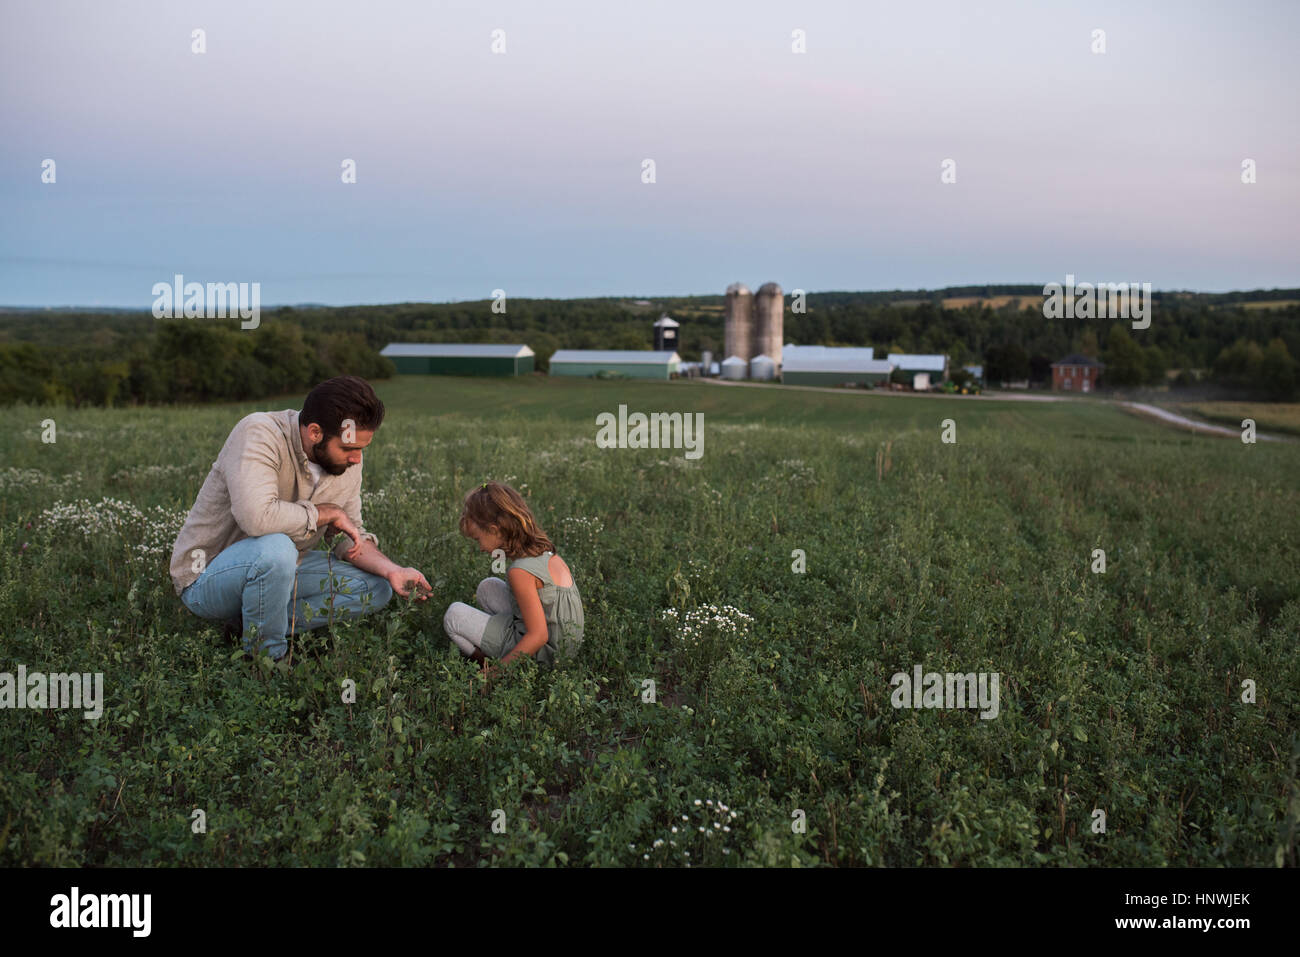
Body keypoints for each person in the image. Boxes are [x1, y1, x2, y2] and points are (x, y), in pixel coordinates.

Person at [169, 375, 431, 662]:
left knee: (377, 588)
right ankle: (266, 659)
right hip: (208, 578)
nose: (356, 459)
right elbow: (256, 518)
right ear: (315, 432)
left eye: (361, 449)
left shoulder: (347, 462)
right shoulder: (259, 431)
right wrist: (323, 513)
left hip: (280, 569)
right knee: (278, 548)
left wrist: (393, 570)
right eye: (348, 449)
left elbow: (349, 533)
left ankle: (251, 624)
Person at [443, 481, 584, 669]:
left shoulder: (520, 572)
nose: (480, 548)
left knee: (453, 615)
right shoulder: (544, 551)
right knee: (488, 587)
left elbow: (539, 635)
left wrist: (497, 673)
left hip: (545, 656)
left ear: (494, 530)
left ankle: (489, 668)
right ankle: (500, 650)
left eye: (478, 539)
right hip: (563, 644)